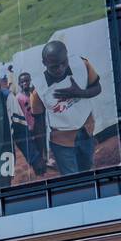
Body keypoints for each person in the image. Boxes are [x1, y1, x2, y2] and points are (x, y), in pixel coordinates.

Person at [28, 40, 102, 175]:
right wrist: (41, 156)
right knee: (72, 179)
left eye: (64, 62)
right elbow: (39, 125)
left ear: (67, 56)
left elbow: (97, 88)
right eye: (55, 66)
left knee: (87, 170)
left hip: (87, 130)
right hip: (62, 141)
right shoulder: (38, 89)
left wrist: (80, 93)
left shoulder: (81, 64)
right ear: (44, 63)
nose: (61, 68)